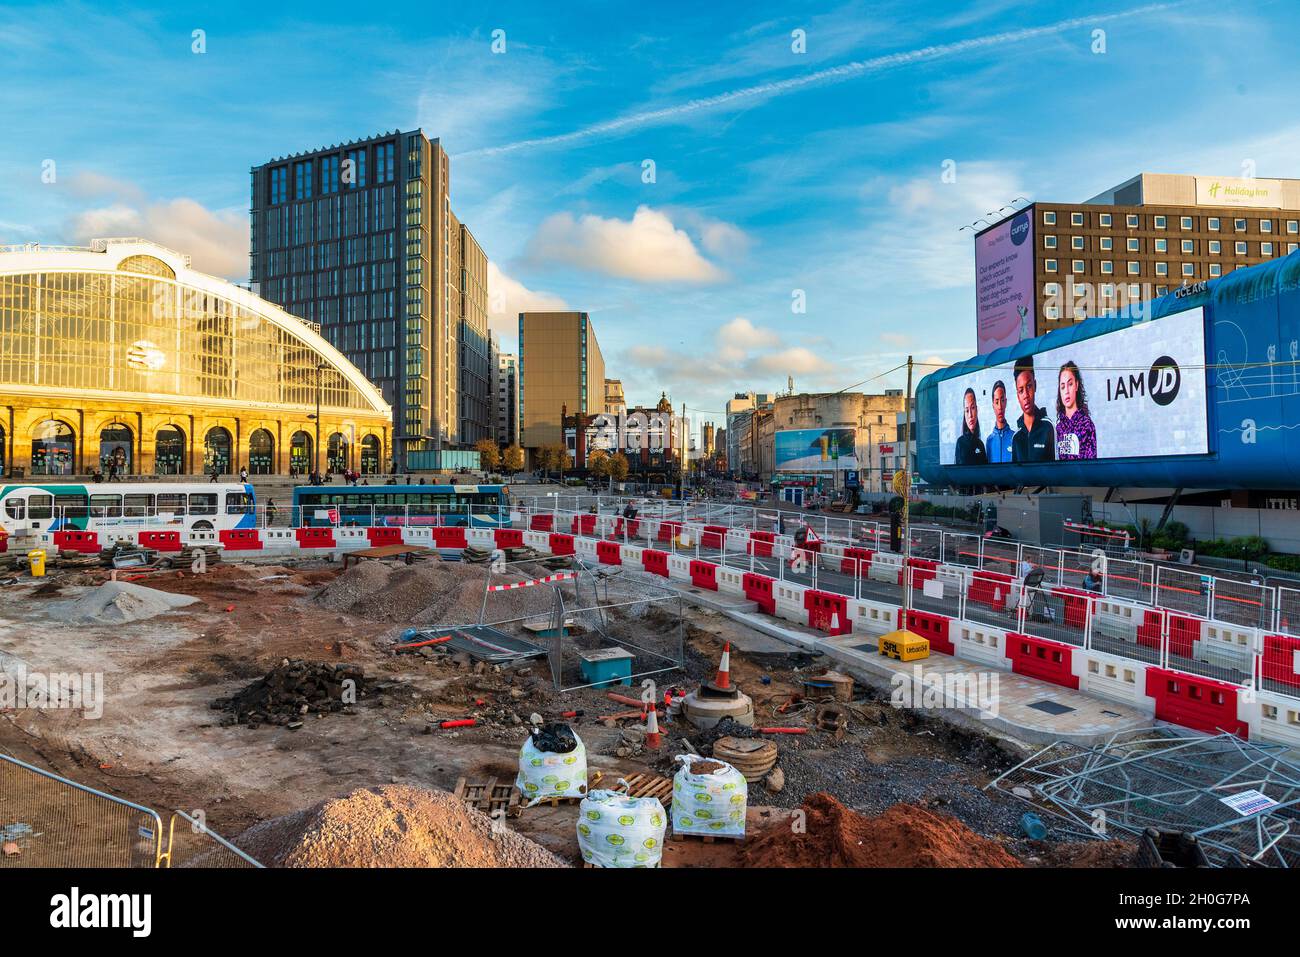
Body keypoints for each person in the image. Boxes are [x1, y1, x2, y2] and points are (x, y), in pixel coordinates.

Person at [1011, 356, 1055, 462]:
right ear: (1017, 395)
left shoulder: (1048, 427)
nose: (1025, 395)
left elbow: (1056, 470)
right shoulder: (1016, 437)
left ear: (1035, 385)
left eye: (1029, 386)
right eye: (1021, 390)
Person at [1055, 361, 1097, 460]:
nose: (1066, 391)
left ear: (1076, 385)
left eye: (1070, 384)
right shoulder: (1058, 428)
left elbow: (1092, 466)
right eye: (1062, 387)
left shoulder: (1087, 425)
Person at [954, 388, 988, 465]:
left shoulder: (980, 444)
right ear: (964, 414)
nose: (970, 415)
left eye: (972, 408)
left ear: (977, 409)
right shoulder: (960, 443)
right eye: (966, 410)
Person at [985, 380, 1014, 464]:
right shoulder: (989, 441)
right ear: (993, 405)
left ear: (1006, 402)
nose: (1000, 407)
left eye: (1002, 400)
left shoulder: (1014, 437)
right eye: (996, 402)